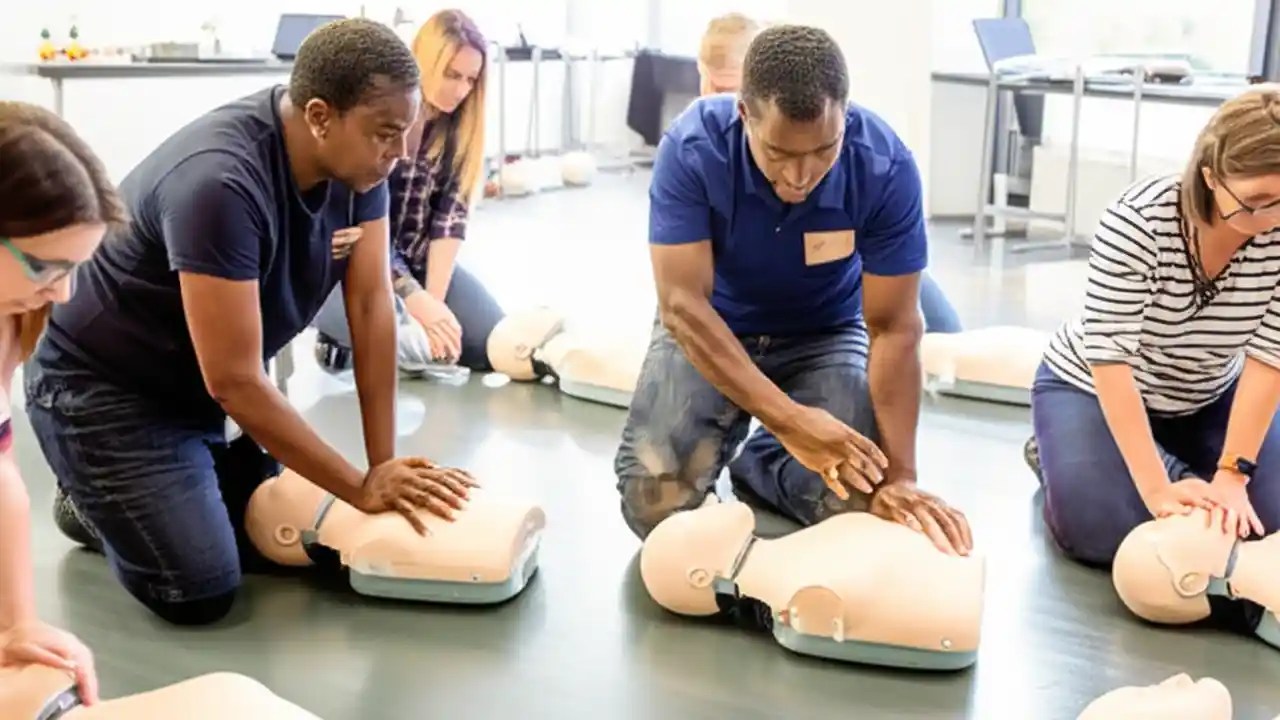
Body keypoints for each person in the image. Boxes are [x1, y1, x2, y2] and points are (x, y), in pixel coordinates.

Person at [25, 19, 469, 627]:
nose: (399, 155)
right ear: (319, 116)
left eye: (404, 134)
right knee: (200, 587)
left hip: (199, 383)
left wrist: (381, 466)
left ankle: (156, 490)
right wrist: (359, 491)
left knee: (266, 513)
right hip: (104, 390)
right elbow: (234, 381)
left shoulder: (360, 164)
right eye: (386, 135)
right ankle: (86, 501)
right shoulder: (220, 182)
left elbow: (369, 309)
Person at [614, 24, 972, 556]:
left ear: (845, 120)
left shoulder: (885, 166)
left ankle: (762, 463)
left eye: (824, 149)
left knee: (860, 501)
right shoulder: (692, 148)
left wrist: (902, 476)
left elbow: (895, 327)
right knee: (654, 505)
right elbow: (682, 307)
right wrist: (792, 420)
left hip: (824, 333)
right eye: (779, 152)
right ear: (743, 117)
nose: (801, 175)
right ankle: (770, 439)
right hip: (717, 328)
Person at [1028, 84, 1280, 567]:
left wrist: (1233, 475)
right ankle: (1053, 452)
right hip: (1091, 387)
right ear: (1210, 175)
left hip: (1206, 395)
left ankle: (1184, 468)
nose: (1269, 219)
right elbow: (1111, 361)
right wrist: (1157, 486)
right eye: (1256, 201)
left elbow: (1269, 359)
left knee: (1264, 519)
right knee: (1101, 532)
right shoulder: (1139, 220)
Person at [694, 13, 963, 335]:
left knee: (915, 307)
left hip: (849, 266)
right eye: (718, 87)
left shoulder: (869, 157)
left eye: (733, 87)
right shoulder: (702, 144)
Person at [0, 100, 121, 705]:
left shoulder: (12, 313)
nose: (64, 291)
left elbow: (2, 476)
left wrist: (17, 623)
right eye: (46, 267)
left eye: (77, 268)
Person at [313, 9, 506, 375]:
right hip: (352, 263)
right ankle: (337, 334)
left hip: (414, 263)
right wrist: (412, 298)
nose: (461, 90)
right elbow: (365, 233)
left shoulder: (459, 131)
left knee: (488, 342)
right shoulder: (379, 120)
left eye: (470, 79)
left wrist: (433, 303)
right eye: (451, 75)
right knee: (398, 338)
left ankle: (390, 330)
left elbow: (449, 222)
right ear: (424, 62)